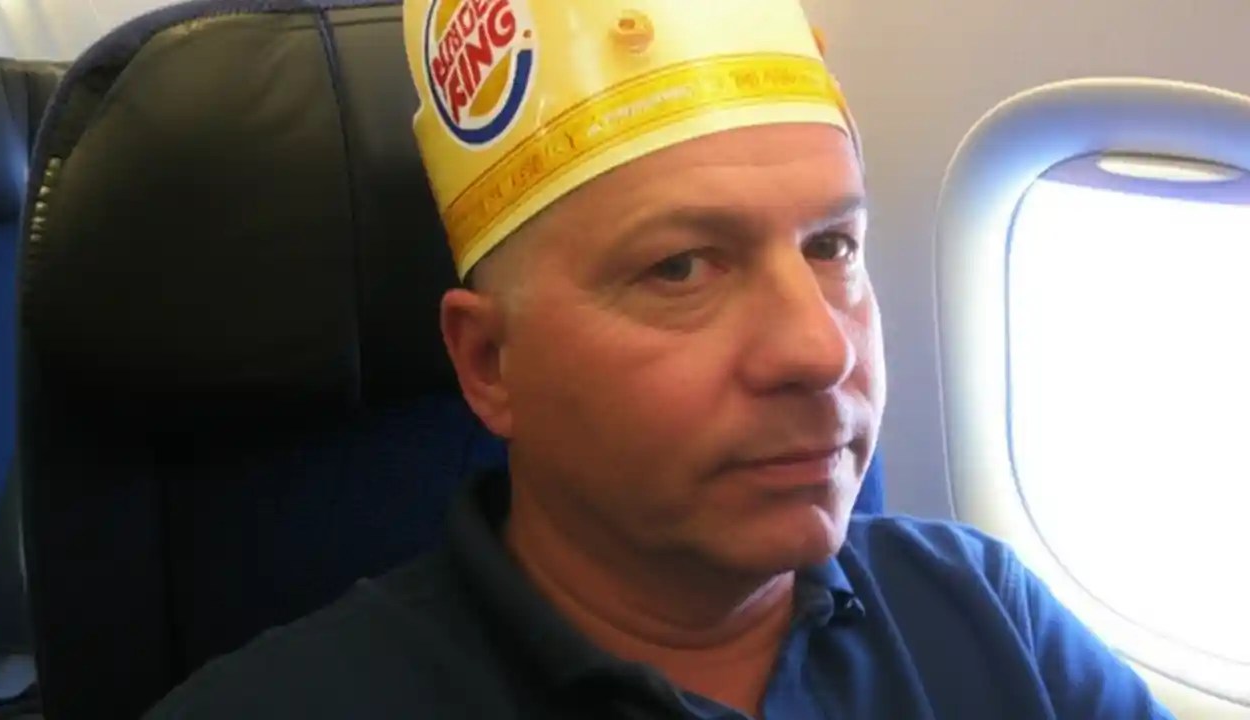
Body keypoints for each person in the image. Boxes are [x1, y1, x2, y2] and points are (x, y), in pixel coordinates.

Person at [146, 1, 1175, 718]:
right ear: (490, 363)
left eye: (831, 247)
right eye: (681, 267)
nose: (820, 348)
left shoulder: (989, 619)